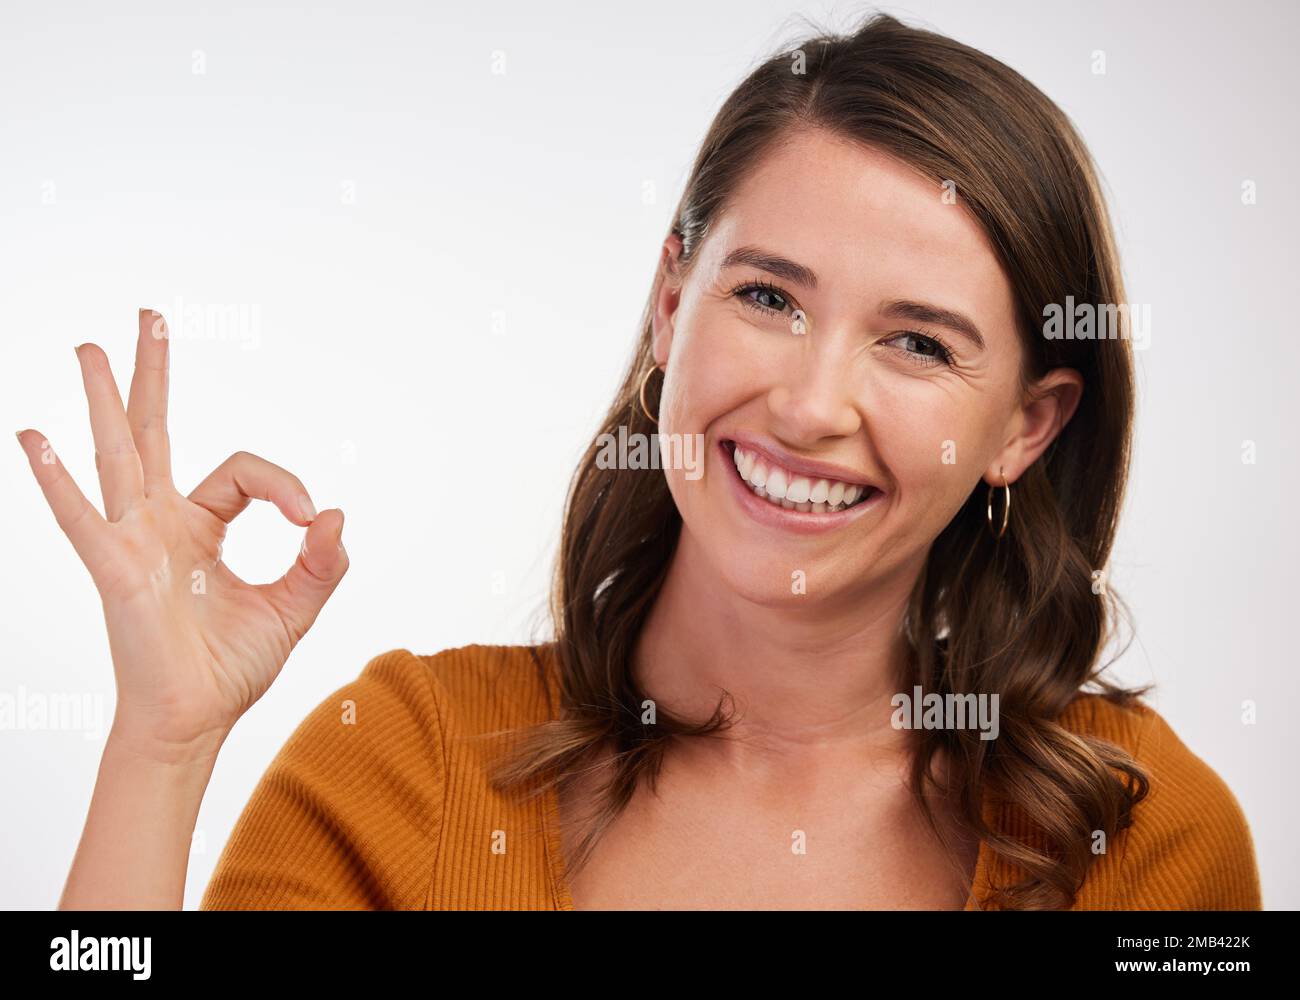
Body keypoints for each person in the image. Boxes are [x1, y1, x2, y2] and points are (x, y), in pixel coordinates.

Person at [22, 12, 1260, 910]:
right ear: (672, 303)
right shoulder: (397, 765)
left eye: (918, 342)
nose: (809, 402)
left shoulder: (1137, 834)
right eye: (770, 295)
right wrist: (160, 748)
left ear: (1025, 427)